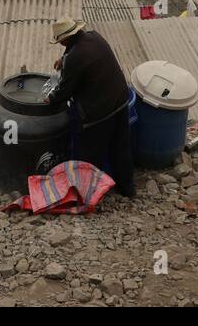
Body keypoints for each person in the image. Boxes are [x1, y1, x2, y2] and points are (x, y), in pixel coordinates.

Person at [44, 17, 135, 198]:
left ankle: (89, 195)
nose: (61, 43)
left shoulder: (76, 58)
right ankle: (127, 189)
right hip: (120, 100)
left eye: (60, 40)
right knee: (121, 147)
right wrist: (64, 59)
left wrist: (50, 98)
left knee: (91, 154)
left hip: (100, 112)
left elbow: (65, 89)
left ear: (66, 38)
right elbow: (79, 54)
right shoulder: (94, 37)